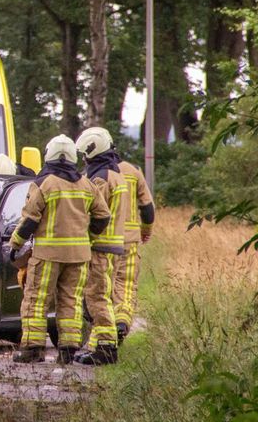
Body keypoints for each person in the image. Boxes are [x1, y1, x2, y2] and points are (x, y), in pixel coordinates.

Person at [9, 135, 111, 364]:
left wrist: (15, 244)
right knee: (71, 301)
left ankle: (33, 349)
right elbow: (103, 216)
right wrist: (88, 237)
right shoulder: (87, 184)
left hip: (47, 255)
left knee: (36, 299)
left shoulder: (45, 184)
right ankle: (68, 350)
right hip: (79, 257)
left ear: (49, 155)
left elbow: (29, 220)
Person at [73, 127, 131, 366]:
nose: (83, 159)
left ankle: (106, 347)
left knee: (97, 297)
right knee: (103, 296)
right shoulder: (116, 175)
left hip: (100, 247)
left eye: (84, 154)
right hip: (115, 245)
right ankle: (99, 345)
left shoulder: (100, 178)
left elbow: (92, 211)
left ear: (92, 150)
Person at [116, 151, 155, 344]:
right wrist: (145, 230)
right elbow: (147, 207)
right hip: (130, 240)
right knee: (126, 284)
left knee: (104, 286)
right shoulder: (134, 172)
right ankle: (122, 321)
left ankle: (103, 332)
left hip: (103, 241)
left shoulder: (96, 172)